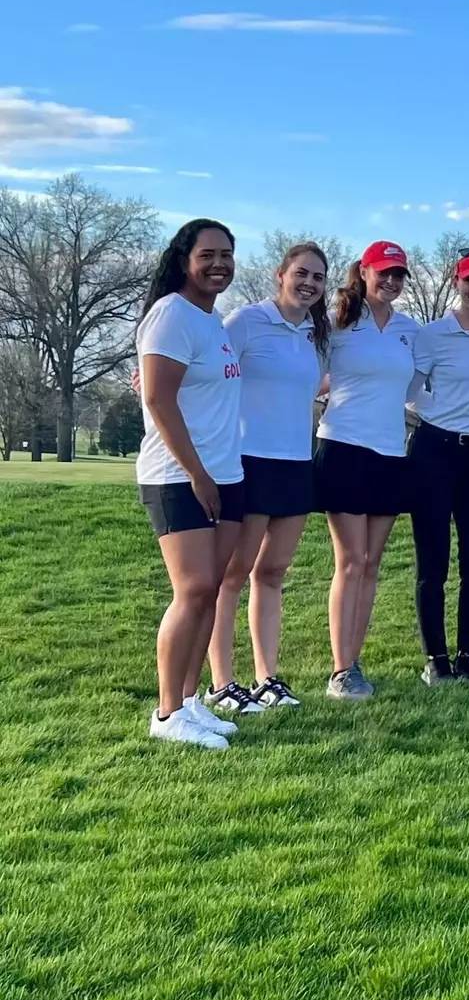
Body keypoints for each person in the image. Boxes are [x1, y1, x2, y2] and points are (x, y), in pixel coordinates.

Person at [203, 242, 331, 714]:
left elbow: (321, 383)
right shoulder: (246, 321)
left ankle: (267, 679)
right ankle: (221, 682)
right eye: (301, 273)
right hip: (248, 462)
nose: (309, 283)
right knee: (232, 576)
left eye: (318, 277)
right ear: (281, 274)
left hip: (297, 464)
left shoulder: (318, 335)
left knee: (272, 573)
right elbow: (205, 366)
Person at [135, 219, 247, 749]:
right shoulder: (171, 315)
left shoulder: (212, 319)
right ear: (185, 259)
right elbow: (158, 400)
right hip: (178, 476)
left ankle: (188, 702)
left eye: (226, 254)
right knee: (194, 590)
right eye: (208, 254)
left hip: (226, 474)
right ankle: (165, 712)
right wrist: (197, 473)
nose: (218, 263)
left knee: (210, 594)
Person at [314, 240, 421, 701]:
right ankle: (341, 670)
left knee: (372, 563)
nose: (392, 282)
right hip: (342, 448)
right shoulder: (335, 321)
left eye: (399, 275)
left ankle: (354, 662)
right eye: (385, 273)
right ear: (364, 272)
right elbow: (306, 373)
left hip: (390, 454)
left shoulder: (409, 330)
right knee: (351, 561)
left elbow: (420, 388)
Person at [409, 251, 469, 686]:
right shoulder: (432, 335)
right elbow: (408, 390)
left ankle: (468, 656)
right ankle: (436, 657)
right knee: (433, 563)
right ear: (457, 283)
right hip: (434, 451)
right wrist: (442, 414)